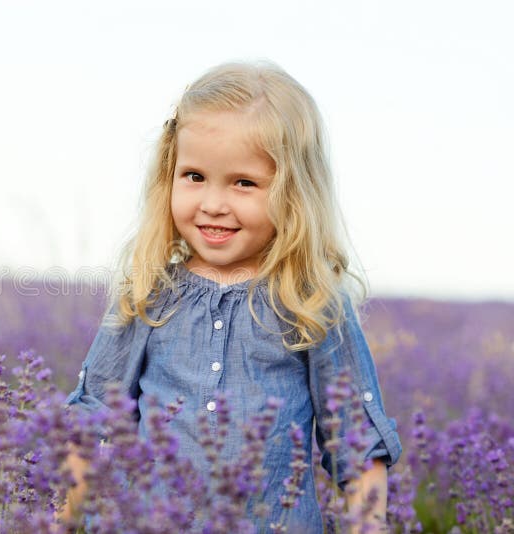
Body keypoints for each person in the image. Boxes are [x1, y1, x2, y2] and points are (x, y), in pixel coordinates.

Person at [58, 60, 402, 533]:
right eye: (195, 176)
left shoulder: (310, 302)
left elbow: (357, 440)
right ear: (169, 177)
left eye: (244, 183)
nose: (213, 203)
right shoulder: (149, 293)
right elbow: (93, 416)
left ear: (293, 193)